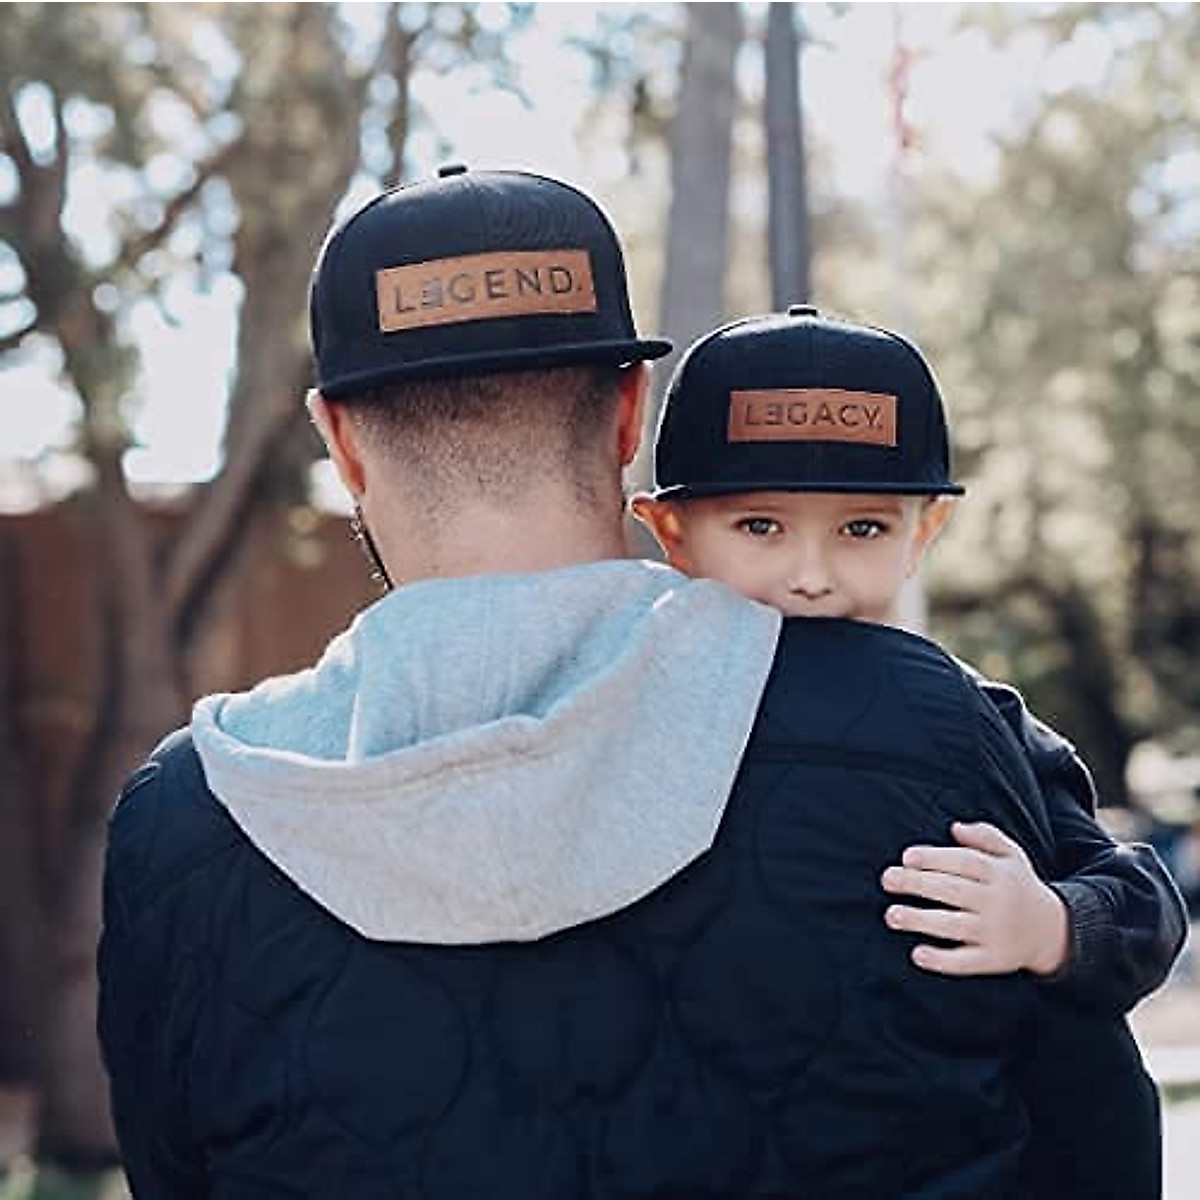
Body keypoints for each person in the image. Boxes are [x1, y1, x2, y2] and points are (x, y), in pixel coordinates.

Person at [97, 169, 1176, 1200]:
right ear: (629, 416)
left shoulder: (189, 822)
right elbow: (1097, 1146)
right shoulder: (919, 718)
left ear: (340, 439)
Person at [631, 305, 1186, 1196]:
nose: (811, 576)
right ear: (671, 535)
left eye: (862, 530)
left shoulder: (981, 722)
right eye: (760, 528)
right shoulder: (624, 700)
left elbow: (1140, 897)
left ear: (922, 536)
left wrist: (1048, 925)